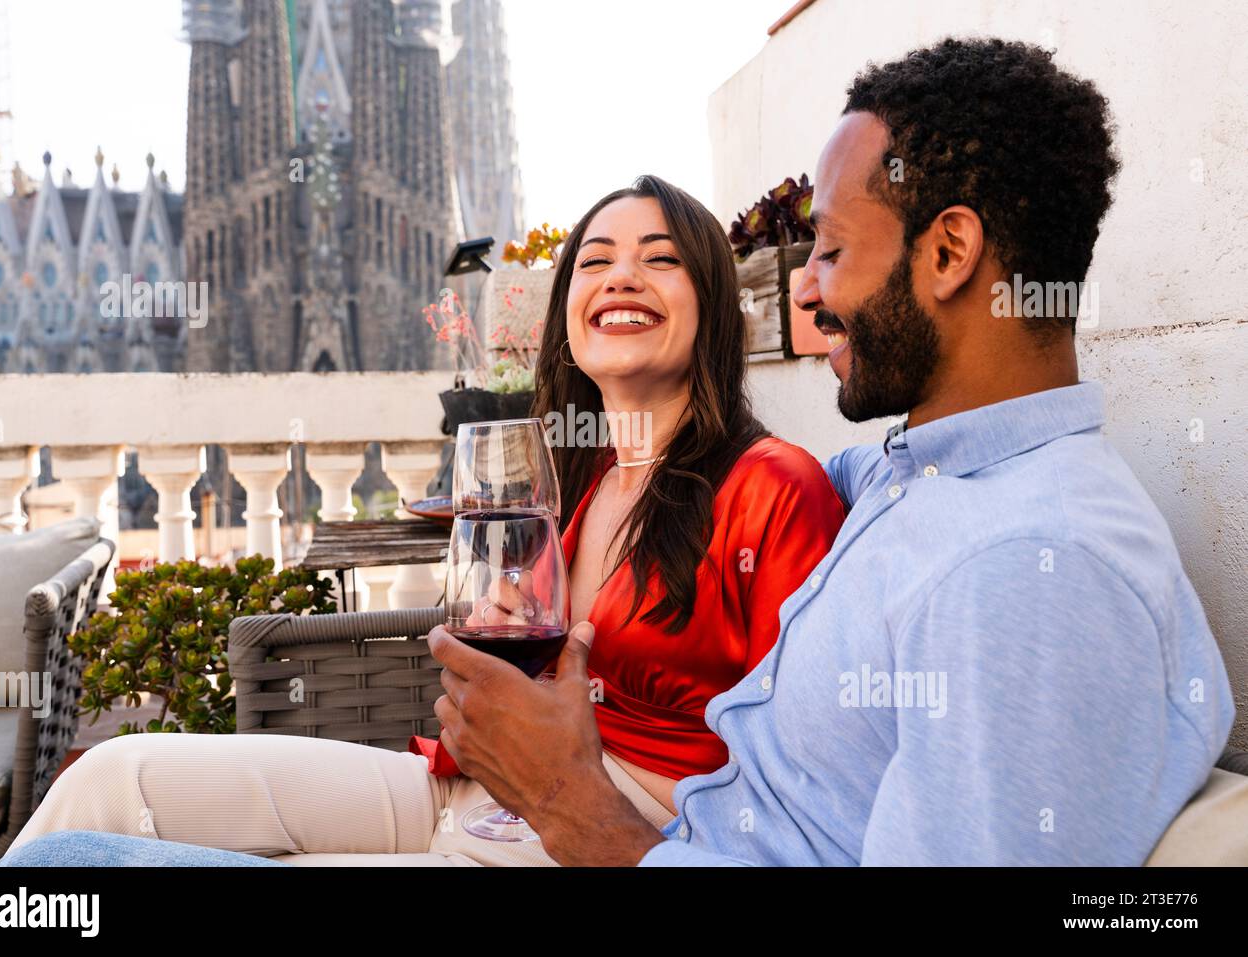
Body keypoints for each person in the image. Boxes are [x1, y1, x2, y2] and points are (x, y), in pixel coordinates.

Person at [420, 37, 1236, 866]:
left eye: (832, 249)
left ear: (949, 254)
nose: (804, 287)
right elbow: (714, 471)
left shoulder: (1025, 568)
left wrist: (566, 800)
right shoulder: (921, 470)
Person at [1, 177, 845, 867]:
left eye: (660, 260)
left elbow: (811, 790)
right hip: (463, 788)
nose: (621, 276)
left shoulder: (775, 487)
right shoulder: (583, 481)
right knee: (114, 775)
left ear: (713, 307)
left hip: (591, 827)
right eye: (595, 261)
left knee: (77, 868)